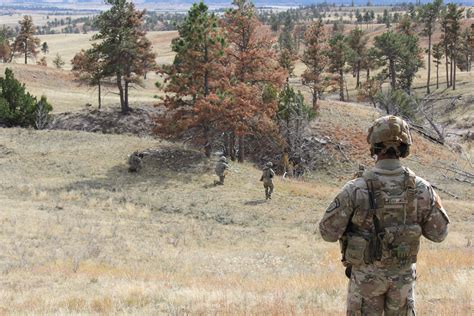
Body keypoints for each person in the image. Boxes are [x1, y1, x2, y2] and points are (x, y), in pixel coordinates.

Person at [319, 115, 450, 315]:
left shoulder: (356, 188)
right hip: (403, 280)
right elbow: (439, 234)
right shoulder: (422, 189)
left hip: (365, 281)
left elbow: (328, 233)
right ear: (405, 147)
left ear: (374, 146)